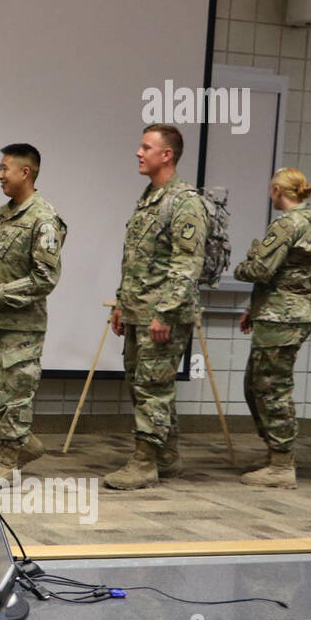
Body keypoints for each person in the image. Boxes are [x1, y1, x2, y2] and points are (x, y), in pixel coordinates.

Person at [108, 124, 207, 490]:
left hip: (161, 314)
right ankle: (167, 456)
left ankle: (144, 463)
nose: (138, 152)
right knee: (145, 385)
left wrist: (164, 312)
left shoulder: (183, 201)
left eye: (146, 147)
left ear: (167, 154)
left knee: (152, 388)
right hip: (138, 310)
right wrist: (121, 303)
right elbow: (135, 259)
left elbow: (186, 264)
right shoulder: (150, 196)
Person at [0, 143, 67, 484]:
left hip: (23, 327)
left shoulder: (44, 219)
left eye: (4, 168)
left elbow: (45, 279)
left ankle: (9, 460)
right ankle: (24, 443)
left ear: (25, 172)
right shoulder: (1, 214)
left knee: (13, 396)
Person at [233, 168, 311, 488]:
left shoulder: (286, 224)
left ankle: (281, 464)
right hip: (289, 312)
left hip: (280, 317)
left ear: (277, 190)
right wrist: (253, 308)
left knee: (271, 389)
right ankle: (277, 454)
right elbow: (291, 275)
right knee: (257, 385)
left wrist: (241, 265)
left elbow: (261, 268)